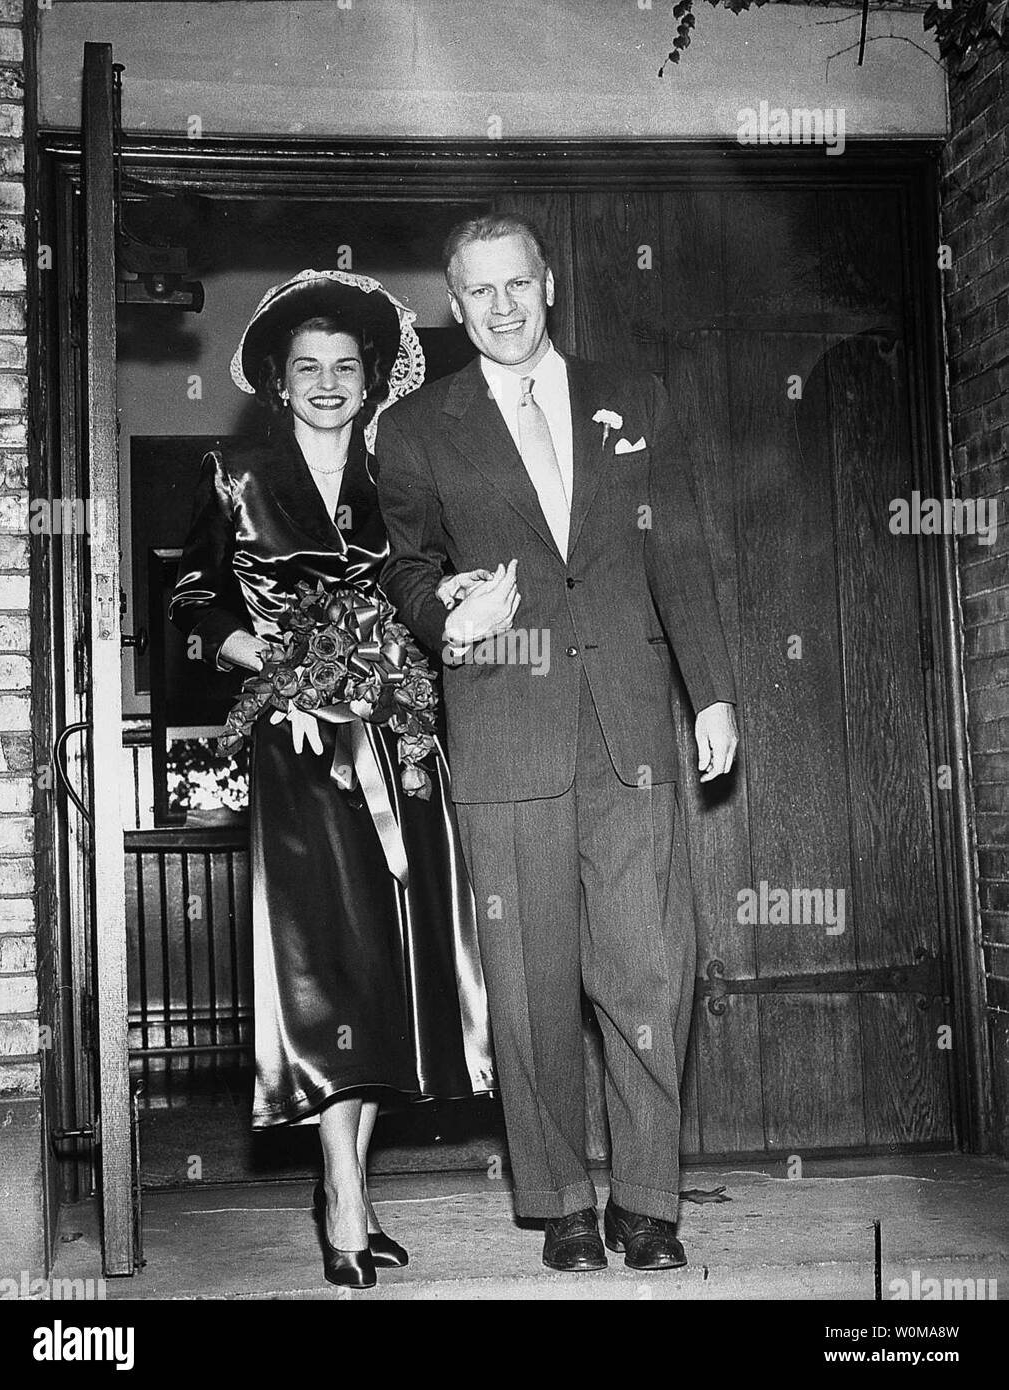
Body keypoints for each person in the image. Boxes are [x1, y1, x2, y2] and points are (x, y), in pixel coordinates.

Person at [375, 215, 739, 1274]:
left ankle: (648, 1202)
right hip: (505, 725)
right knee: (530, 981)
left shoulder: (635, 397)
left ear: (549, 286)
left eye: (517, 285)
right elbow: (406, 567)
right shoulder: (417, 428)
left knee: (647, 971)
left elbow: (680, 548)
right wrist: (447, 613)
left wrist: (712, 693)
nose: (502, 307)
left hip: (628, 727)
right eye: (478, 292)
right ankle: (562, 1202)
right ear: (455, 306)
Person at [169, 270, 493, 1289]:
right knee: (328, 975)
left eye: (344, 367)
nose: (325, 383)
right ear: (278, 379)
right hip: (300, 752)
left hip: (399, 747)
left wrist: (460, 600)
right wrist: (279, 664)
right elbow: (190, 604)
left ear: (370, 380)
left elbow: (426, 584)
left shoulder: (399, 470)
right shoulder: (235, 475)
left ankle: (347, 1190)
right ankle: (344, 1196)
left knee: (386, 974)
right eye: (306, 366)